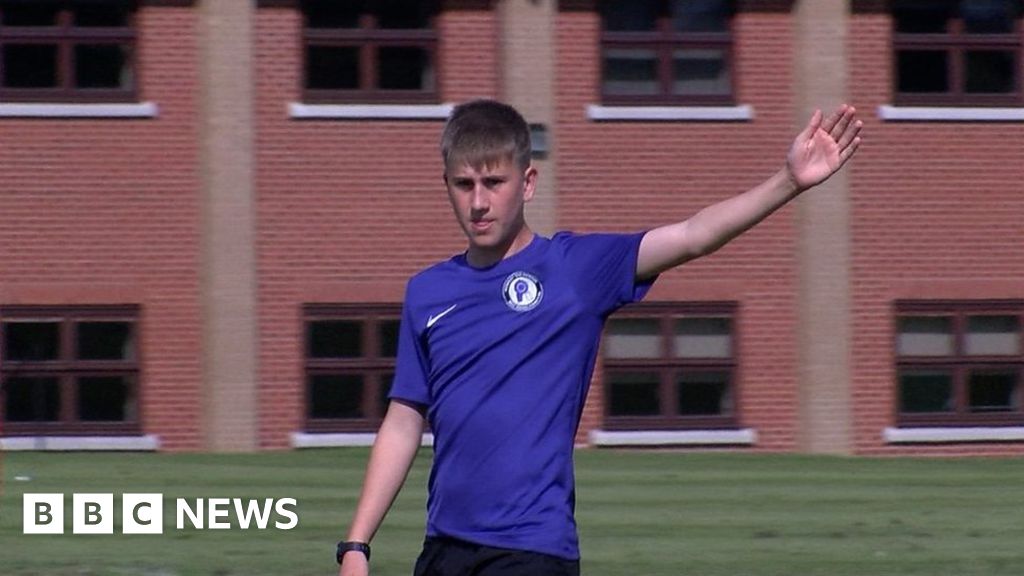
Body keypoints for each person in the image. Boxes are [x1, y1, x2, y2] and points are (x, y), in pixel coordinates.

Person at [336, 99, 862, 576]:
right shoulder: (428, 292)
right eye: (463, 184)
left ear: (528, 182)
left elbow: (693, 235)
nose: (478, 202)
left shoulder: (574, 270)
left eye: (493, 183)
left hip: (532, 549)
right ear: (445, 185)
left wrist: (788, 182)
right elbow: (404, 422)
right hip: (444, 547)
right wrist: (356, 545)